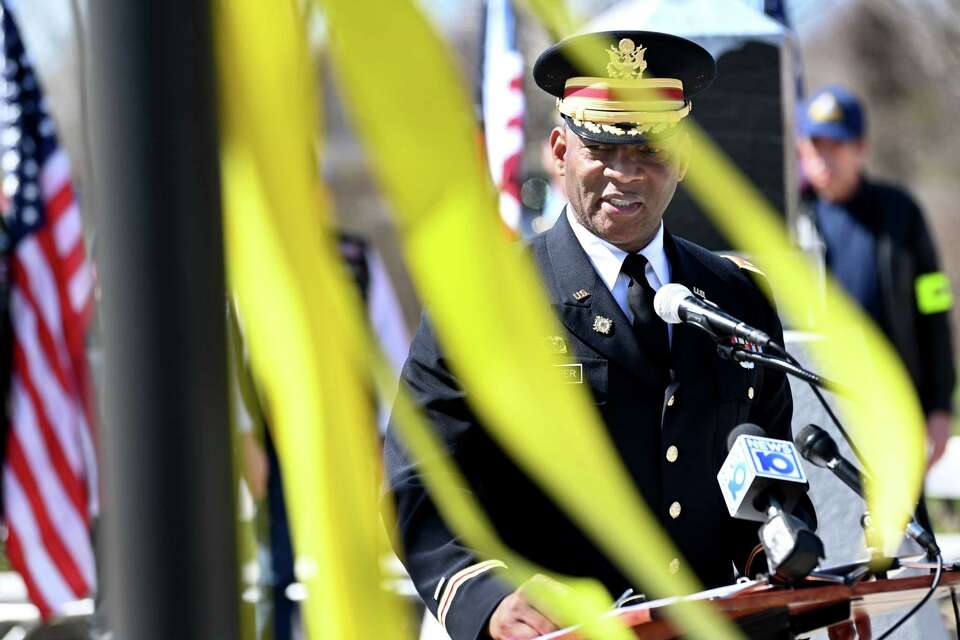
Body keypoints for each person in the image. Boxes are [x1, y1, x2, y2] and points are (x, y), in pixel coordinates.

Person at [384, 31, 798, 640]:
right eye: (601, 148)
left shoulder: (735, 297)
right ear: (559, 150)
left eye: (649, 149)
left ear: (683, 157)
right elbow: (418, 481)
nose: (624, 174)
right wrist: (488, 598)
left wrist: (783, 560)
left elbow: (771, 466)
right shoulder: (485, 303)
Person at [795, 86, 956, 475]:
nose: (824, 157)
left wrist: (940, 405)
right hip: (818, 409)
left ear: (861, 148)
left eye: (836, 145)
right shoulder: (791, 219)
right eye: (815, 145)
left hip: (894, 407)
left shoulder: (900, 214)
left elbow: (935, 306)